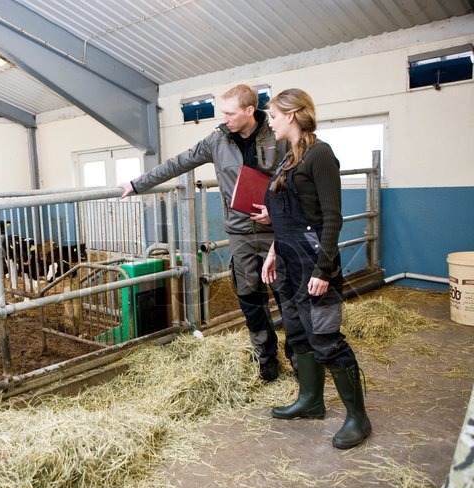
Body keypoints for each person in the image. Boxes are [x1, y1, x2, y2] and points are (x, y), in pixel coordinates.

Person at [118, 84, 292, 382]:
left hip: (276, 233)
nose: (224, 119)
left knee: (287, 295)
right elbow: (178, 162)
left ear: (250, 111)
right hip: (240, 233)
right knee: (250, 299)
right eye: (223, 112)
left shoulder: (277, 135)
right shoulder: (217, 140)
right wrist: (137, 184)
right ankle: (266, 358)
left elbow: (297, 178)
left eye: (230, 113)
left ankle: (300, 360)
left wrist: (279, 210)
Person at [258, 88, 371, 449]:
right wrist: (274, 251)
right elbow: (288, 216)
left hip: (314, 262)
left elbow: (332, 218)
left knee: (325, 338)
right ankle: (310, 401)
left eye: (273, 116)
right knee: (298, 333)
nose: (270, 123)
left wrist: (323, 271)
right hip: (288, 263)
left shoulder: (320, 155)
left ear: (291, 115)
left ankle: (358, 418)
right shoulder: (288, 157)